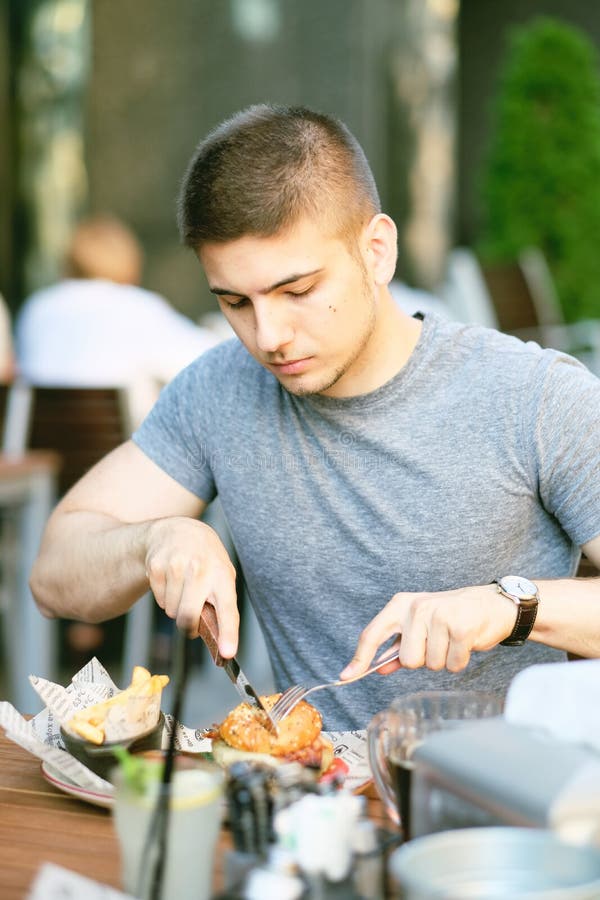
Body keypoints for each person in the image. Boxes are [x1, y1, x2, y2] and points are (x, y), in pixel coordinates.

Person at [29, 105, 600, 731]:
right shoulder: (220, 390)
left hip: (503, 804)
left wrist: (509, 607)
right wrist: (155, 540)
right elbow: (55, 575)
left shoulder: (536, 395)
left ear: (377, 251)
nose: (268, 336)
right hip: (311, 800)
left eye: (296, 291)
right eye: (234, 301)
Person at [15, 215, 218, 425]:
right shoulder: (137, 307)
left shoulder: (37, 307)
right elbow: (205, 361)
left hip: (47, 449)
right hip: (127, 449)